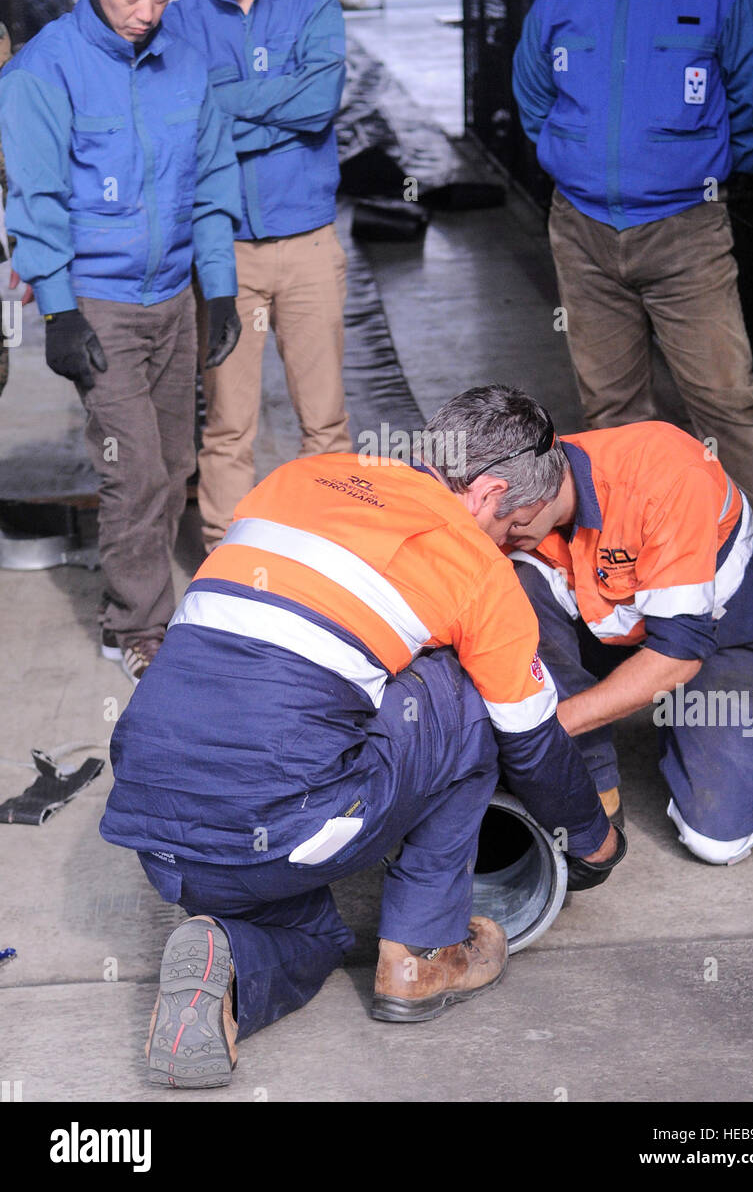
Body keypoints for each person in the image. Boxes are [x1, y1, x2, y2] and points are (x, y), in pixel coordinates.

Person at [99, 384, 625, 1089]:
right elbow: (530, 741)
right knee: (476, 697)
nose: (511, 546)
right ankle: (422, 955)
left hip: (163, 840)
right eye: (516, 526)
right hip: (286, 828)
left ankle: (216, 956)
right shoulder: (474, 567)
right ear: (488, 493)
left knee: (313, 940)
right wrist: (593, 837)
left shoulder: (296, 479)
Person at [512, 0, 753, 609]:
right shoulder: (560, 0)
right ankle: (639, 552)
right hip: (581, 232)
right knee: (613, 409)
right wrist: (568, 162)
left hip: (687, 231)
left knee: (727, 397)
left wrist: (705, 168)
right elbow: (532, 101)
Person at [0, 0, 242, 683]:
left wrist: (221, 288)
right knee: (132, 468)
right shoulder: (43, 71)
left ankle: (132, 609)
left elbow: (210, 178)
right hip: (99, 303)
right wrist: (60, 308)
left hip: (174, 295)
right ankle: (139, 629)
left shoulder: (184, 60)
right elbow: (34, 199)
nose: (146, 13)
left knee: (173, 466)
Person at [163, 0, 351, 554]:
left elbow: (319, 103)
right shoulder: (175, 27)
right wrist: (275, 107)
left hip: (308, 247)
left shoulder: (312, 7)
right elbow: (184, 127)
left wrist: (224, 113)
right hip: (222, 253)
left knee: (325, 421)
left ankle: (333, 562)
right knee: (228, 425)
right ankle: (228, 566)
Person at [506, 418, 753, 851]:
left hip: (713, 637)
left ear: (532, 499)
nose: (493, 532)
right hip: (608, 630)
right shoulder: (493, 487)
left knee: (717, 841)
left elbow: (677, 654)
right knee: (515, 584)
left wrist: (538, 733)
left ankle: (677, 711)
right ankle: (591, 777)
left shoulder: (669, 473)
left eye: (506, 521)